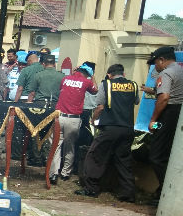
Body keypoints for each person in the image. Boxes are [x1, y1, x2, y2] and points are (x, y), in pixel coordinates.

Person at [76, 64, 139, 202]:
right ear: (123, 73)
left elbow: (100, 106)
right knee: (123, 161)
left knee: (94, 156)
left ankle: (91, 189)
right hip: (127, 129)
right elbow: (136, 101)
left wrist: (93, 120)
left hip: (110, 128)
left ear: (109, 74)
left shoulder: (107, 84)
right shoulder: (133, 85)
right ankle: (128, 193)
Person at [142, 46, 183, 203]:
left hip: (167, 116)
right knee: (170, 154)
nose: (156, 67)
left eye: (156, 63)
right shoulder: (180, 70)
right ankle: (163, 190)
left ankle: (166, 190)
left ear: (161, 60)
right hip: (178, 116)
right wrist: (152, 90)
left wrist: (153, 120)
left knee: (157, 156)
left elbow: (164, 97)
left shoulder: (166, 73)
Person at [48, 63, 98, 184]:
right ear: (88, 74)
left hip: (59, 117)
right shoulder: (86, 82)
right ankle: (65, 173)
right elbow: (95, 90)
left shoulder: (65, 79)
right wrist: (92, 77)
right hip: (74, 119)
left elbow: (63, 89)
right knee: (69, 146)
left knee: (56, 145)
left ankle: (53, 174)